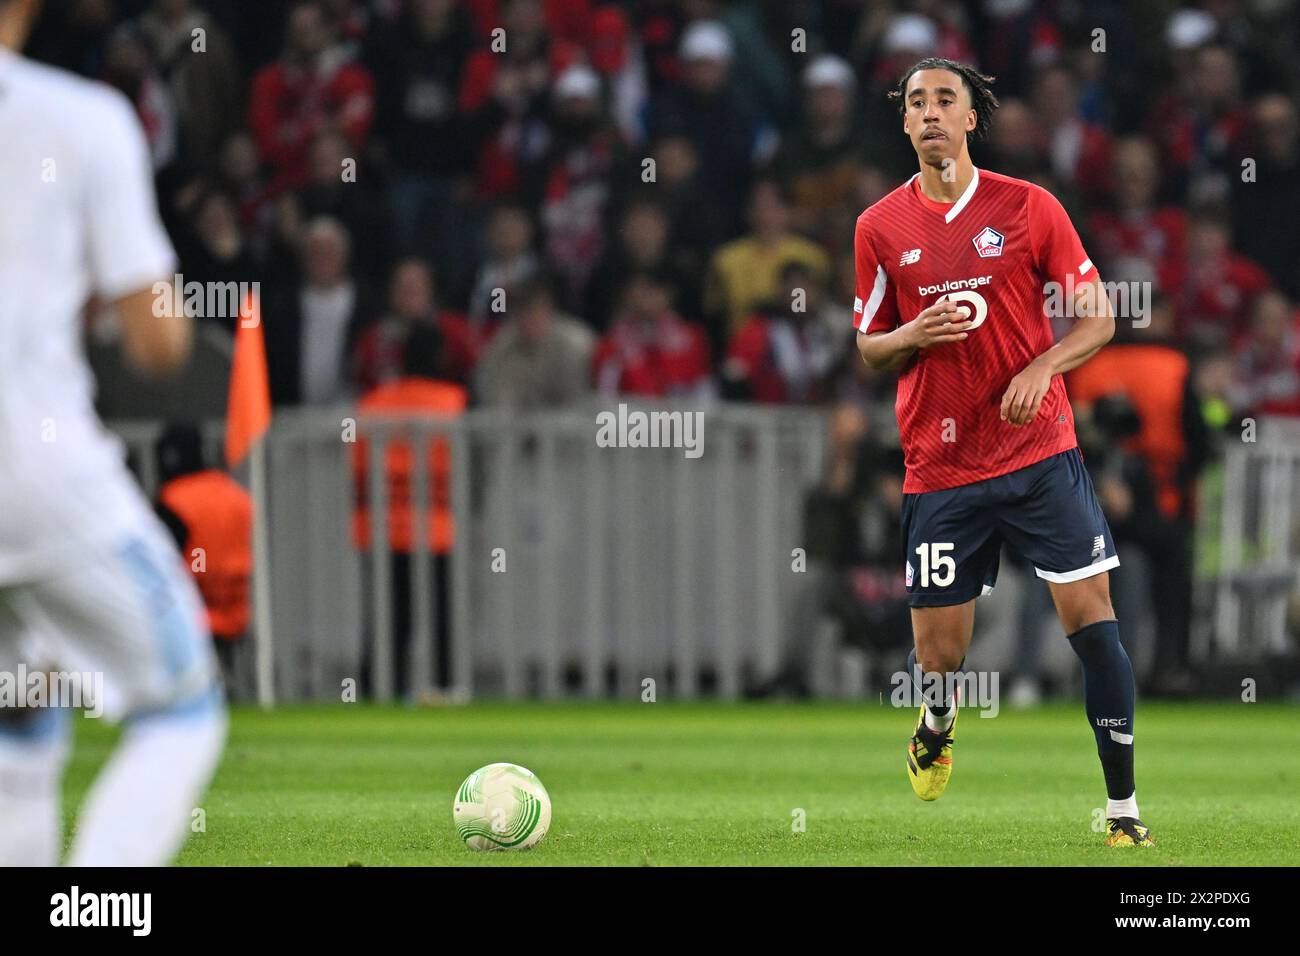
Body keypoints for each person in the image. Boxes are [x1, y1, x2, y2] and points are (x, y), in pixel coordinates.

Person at [854, 58, 1151, 847]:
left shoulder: (1028, 207)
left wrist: (1042, 365)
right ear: (905, 121)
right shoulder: (879, 227)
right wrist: (911, 335)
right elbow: (868, 347)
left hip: (1039, 452)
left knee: (1094, 625)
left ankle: (1123, 814)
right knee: (940, 653)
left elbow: (1096, 318)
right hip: (941, 468)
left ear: (971, 118)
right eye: (916, 102)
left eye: (944, 99)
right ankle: (940, 713)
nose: (929, 113)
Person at [0, 0, 225, 866]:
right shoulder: (83, 119)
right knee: (180, 708)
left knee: (20, 718)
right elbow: (159, 340)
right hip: (36, 476)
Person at [153, 424, 254, 699]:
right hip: (233, 608)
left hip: (188, 612)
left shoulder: (174, 499)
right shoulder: (236, 495)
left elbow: (158, 562)